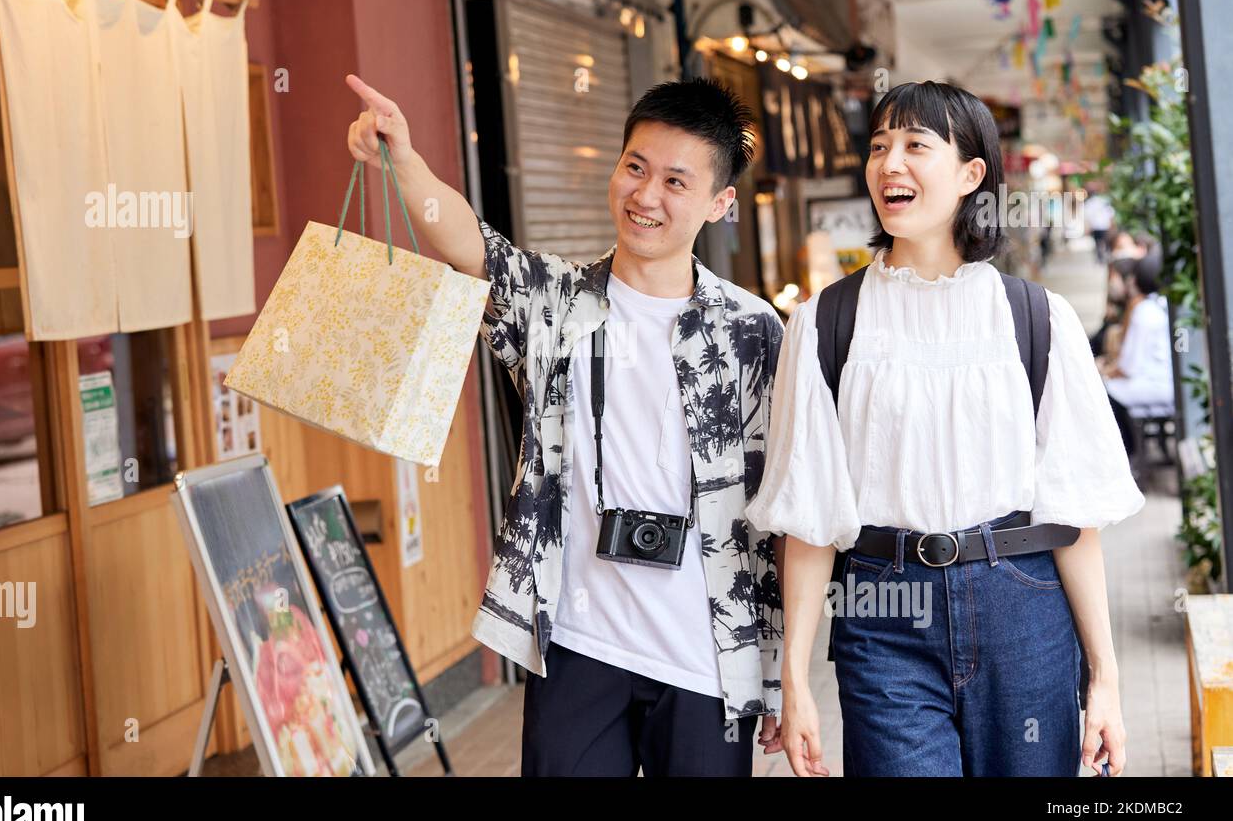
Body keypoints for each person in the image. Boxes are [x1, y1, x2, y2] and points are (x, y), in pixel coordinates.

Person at [346, 75, 787, 776]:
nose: (646, 196)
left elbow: (778, 504)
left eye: (676, 181)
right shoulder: (554, 301)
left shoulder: (752, 331)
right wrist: (403, 155)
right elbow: (470, 245)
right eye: (635, 168)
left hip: (705, 655)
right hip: (579, 643)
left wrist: (775, 669)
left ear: (719, 202)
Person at [744, 80, 1143, 778]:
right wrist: (796, 681)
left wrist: (1104, 678)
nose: (889, 163)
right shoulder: (824, 325)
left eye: (914, 146)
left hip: (1022, 603)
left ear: (970, 175)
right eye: (878, 147)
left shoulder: (1037, 319)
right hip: (880, 605)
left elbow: (1075, 513)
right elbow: (809, 522)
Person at [1103, 254, 1174, 457]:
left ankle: (1127, 453)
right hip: (1164, 380)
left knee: (1103, 391)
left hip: (1155, 384)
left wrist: (1106, 372)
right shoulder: (1160, 303)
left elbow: (1128, 366)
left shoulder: (1143, 311)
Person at [1083, 183, 1115, 264]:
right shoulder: (1104, 201)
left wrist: (1087, 228)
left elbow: (1087, 218)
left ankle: (1100, 257)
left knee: (1098, 243)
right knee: (1105, 242)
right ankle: (1105, 256)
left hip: (1096, 226)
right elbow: (1110, 213)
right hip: (1104, 225)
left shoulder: (1089, 203)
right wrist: (1112, 224)